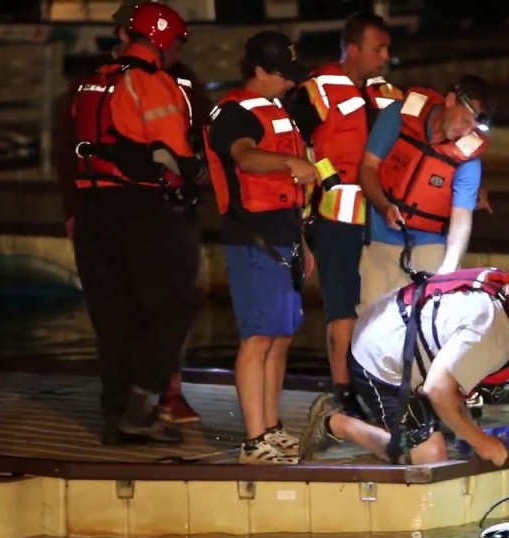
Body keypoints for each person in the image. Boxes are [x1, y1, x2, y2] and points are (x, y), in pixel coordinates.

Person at [56, 0, 207, 426]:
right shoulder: (152, 83)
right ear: (163, 40)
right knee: (172, 306)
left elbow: (71, 148)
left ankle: (114, 417)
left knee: (113, 317)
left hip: (91, 211)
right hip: (139, 209)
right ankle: (142, 403)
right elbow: (175, 156)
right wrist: (202, 172)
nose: (177, 51)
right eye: (176, 42)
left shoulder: (90, 83)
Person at [298, 267, 509, 467]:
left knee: (451, 427)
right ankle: (335, 422)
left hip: (409, 344)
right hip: (381, 357)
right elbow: (438, 389)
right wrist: (483, 443)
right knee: (429, 455)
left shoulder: (507, 301)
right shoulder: (488, 324)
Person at [204, 30, 320, 465]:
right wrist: (291, 162)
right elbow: (244, 157)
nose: (290, 84)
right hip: (252, 239)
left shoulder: (277, 112)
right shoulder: (237, 114)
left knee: (281, 336)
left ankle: (271, 428)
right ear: (258, 71)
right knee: (257, 338)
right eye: (283, 75)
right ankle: (255, 441)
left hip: (285, 236)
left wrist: (303, 241)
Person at [286, 11, 402, 418]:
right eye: (377, 48)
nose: (385, 56)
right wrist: (320, 182)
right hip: (336, 216)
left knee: (384, 304)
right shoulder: (317, 90)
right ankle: (342, 390)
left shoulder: (389, 94)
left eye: (387, 48)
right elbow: (290, 144)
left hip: (381, 219)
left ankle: (377, 382)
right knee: (342, 308)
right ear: (352, 49)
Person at [356, 75, 494, 311]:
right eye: (464, 118)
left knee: (424, 321)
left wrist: (448, 268)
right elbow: (368, 168)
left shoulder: (468, 156)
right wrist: (384, 206)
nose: (465, 129)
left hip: (431, 244)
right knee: (371, 316)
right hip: (382, 237)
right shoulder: (398, 115)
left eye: (473, 125)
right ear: (451, 100)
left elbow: (462, 218)